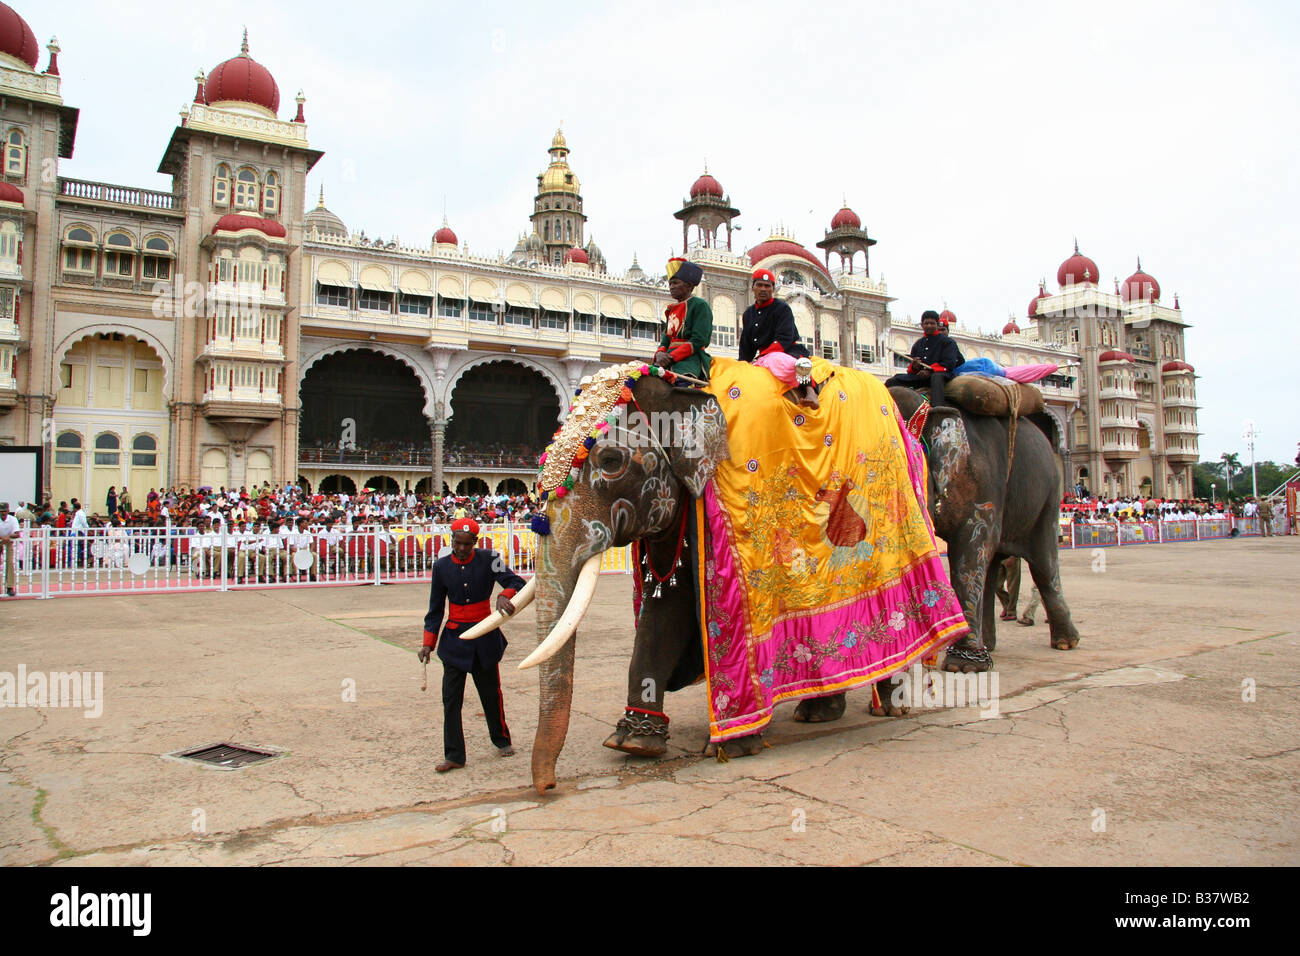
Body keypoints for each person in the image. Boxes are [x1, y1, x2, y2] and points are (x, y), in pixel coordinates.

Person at [417, 517, 524, 773]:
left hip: (484, 637)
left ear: (475, 542)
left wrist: (503, 596)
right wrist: (428, 644)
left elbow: (515, 582)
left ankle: (501, 740)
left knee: (490, 693)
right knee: (451, 699)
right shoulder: (441, 567)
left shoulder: (490, 558)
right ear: (451, 540)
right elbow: (435, 609)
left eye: (467, 544)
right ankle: (454, 755)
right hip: (454, 641)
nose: (462, 549)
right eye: (457, 543)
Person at [738, 267, 818, 408]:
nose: (763, 289)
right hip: (763, 355)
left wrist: (763, 356)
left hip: (786, 350)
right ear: (753, 288)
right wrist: (742, 363)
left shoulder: (782, 308)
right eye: (759, 285)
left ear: (773, 289)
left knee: (790, 363)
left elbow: (784, 338)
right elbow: (746, 345)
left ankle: (810, 392)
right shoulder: (748, 314)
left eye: (767, 286)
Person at [885, 310, 964, 407]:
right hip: (921, 377)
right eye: (926, 323)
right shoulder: (918, 344)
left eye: (932, 323)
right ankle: (887, 406)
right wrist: (915, 366)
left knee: (936, 377)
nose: (929, 326)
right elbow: (912, 369)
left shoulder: (947, 342)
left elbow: (949, 364)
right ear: (922, 325)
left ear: (937, 324)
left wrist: (930, 371)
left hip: (941, 376)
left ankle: (938, 408)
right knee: (894, 380)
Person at [653, 258, 712, 381]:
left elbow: (699, 339)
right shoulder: (671, 309)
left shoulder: (700, 305)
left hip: (690, 359)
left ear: (689, 285)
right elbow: (667, 338)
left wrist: (672, 357)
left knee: (682, 385)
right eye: (670, 284)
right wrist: (659, 353)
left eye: (675, 283)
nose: (671, 287)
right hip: (665, 359)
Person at [0, 502, 19, 597]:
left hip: (8, 541)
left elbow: (17, 533)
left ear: (8, 511)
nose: (3, 513)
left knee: (10, 563)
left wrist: (7, 537)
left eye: (4, 511)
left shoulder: (13, 519)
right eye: (1, 511)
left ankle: (10, 587)